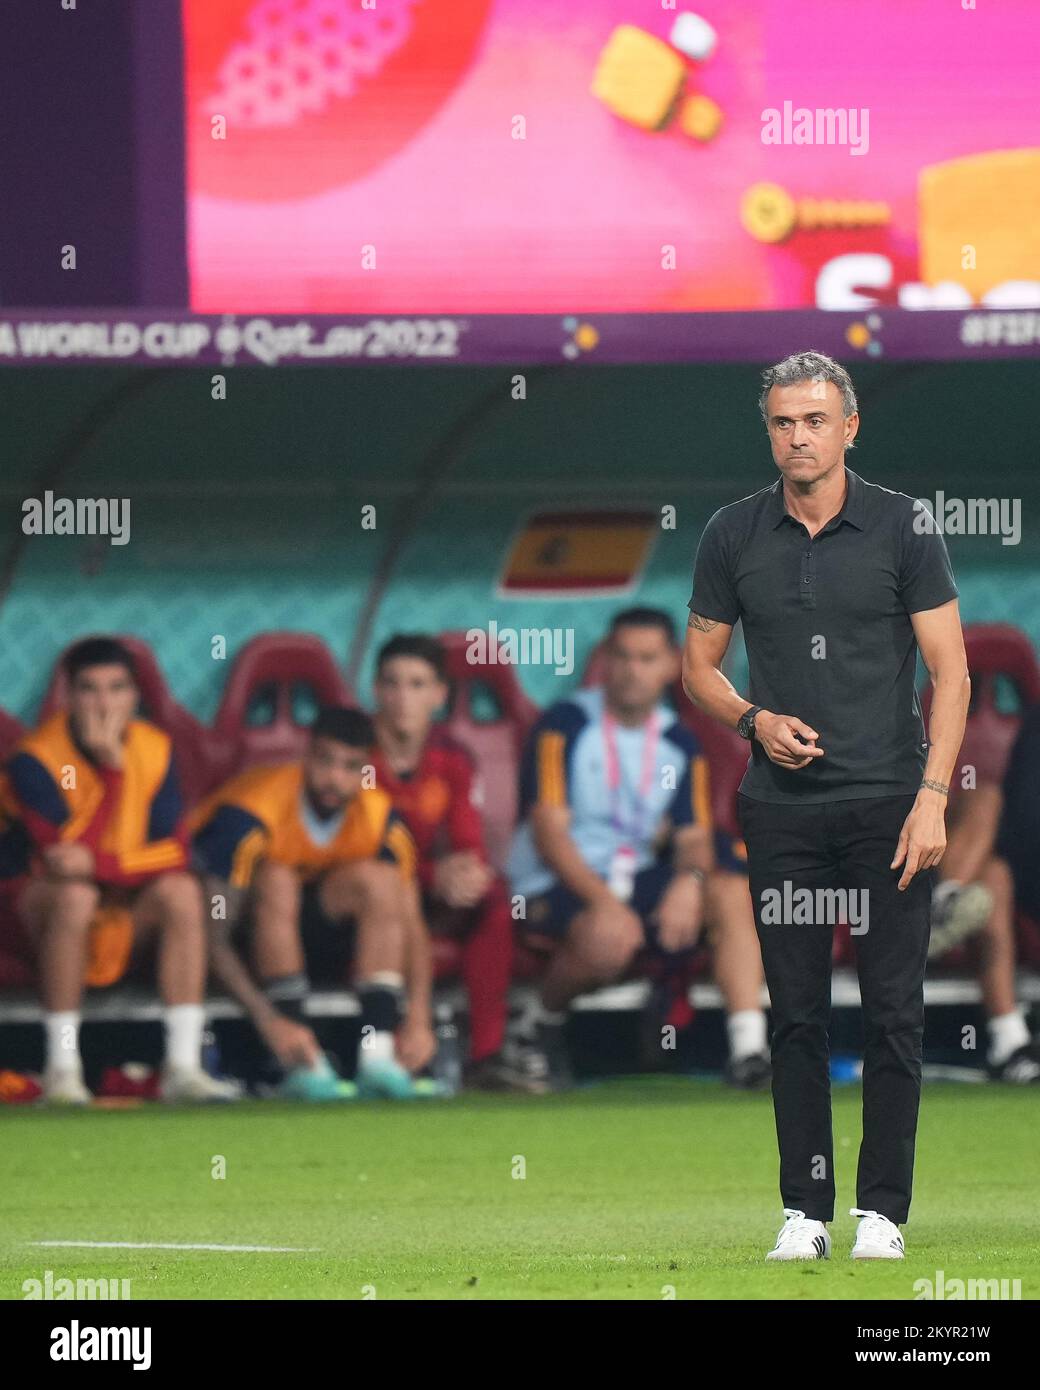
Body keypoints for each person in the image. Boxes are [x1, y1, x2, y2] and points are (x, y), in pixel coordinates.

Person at [683, 350, 968, 1261]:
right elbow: (698, 669)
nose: (798, 437)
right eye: (782, 422)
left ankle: (882, 1214)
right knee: (796, 1016)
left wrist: (933, 798)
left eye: (814, 420)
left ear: (850, 427)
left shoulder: (904, 525)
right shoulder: (732, 532)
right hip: (782, 812)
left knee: (894, 1013)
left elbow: (952, 671)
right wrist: (754, 720)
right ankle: (804, 1212)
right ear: (767, 430)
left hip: (890, 803)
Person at [508, 607, 770, 1091]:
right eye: (622, 656)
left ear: (671, 665)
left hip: (636, 875)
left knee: (729, 889)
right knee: (611, 935)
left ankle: (749, 1049)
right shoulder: (564, 724)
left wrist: (688, 884)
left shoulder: (678, 740)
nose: (633, 670)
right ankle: (534, 1028)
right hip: (557, 879)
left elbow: (693, 837)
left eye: (647, 659)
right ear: (605, 660)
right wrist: (606, 904)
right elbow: (549, 834)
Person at [1, 637, 238, 1103]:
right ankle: (62, 1069)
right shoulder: (37, 758)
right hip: (41, 915)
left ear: (135, 696)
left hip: (120, 902)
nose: (104, 703)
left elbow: (175, 853)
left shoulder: (155, 749)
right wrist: (111, 772)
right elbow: (62, 862)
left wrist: (104, 864)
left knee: (181, 892)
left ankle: (183, 1067)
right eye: (89, 689)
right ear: (69, 697)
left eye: (117, 688)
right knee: (76, 896)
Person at [191, 705, 435, 1100]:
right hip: (249, 942)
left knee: (382, 881)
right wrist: (268, 1021)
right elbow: (212, 934)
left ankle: (377, 1054)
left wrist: (420, 1017)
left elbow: (414, 925)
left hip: (328, 937)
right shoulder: (249, 816)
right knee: (277, 879)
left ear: (366, 770)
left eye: (351, 767)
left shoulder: (382, 821)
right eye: (325, 760)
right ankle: (297, 1059)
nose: (335, 778)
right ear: (305, 754)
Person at [370, 634, 527, 1090]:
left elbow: (467, 841)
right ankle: (385, 1048)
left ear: (439, 695)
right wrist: (432, 875)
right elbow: (355, 851)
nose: (403, 698)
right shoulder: (355, 756)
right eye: (392, 683)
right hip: (370, 890)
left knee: (493, 898)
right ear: (376, 690)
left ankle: (487, 1055)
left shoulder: (452, 758)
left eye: (417, 685)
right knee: (382, 889)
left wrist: (466, 874)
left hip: (425, 886)